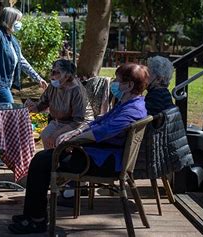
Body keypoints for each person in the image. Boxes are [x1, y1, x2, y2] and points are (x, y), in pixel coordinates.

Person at [8, 63, 149, 234]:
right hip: (98, 154)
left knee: (42, 161)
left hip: (102, 162)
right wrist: (80, 130)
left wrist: (73, 138)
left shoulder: (131, 111)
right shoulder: (129, 103)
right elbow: (100, 121)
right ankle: (32, 215)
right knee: (43, 159)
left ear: (130, 85)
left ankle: (37, 219)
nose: (115, 84)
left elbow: (102, 132)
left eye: (118, 81)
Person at [0, 7, 48, 165]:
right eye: (18, 20)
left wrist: (38, 78)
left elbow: (22, 61)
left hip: (3, 83)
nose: (19, 24)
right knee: (11, 116)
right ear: (9, 20)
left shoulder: (12, 39)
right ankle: (3, 154)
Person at [25, 59, 88, 149]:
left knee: (59, 140)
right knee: (45, 135)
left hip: (78, 125)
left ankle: (61, 161)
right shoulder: (54, 86)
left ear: (67, 75)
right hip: (59, 122)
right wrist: (32, 107)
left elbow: (78, 121)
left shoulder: (77, 90)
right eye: (52, 71)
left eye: (56, 72)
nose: (52, 76)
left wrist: (56, 134)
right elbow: (42, 104)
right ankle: (52, 161)